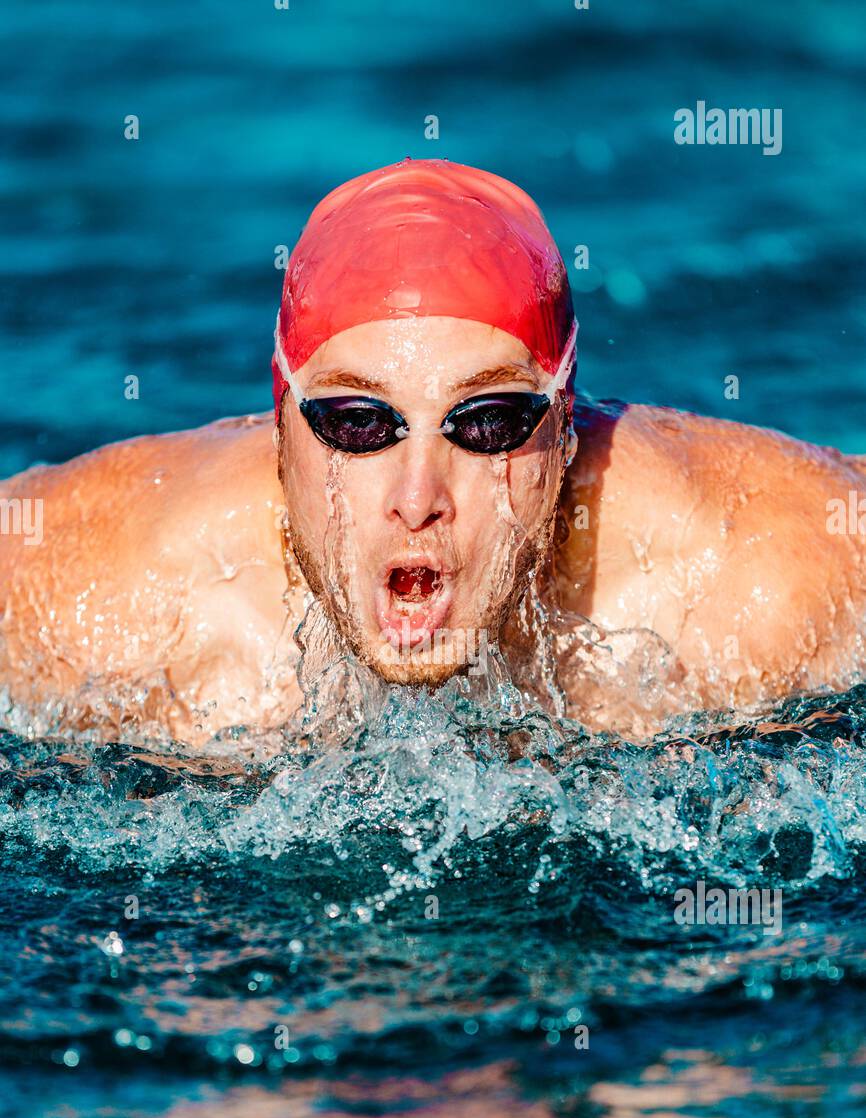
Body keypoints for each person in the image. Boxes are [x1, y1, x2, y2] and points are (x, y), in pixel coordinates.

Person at [1, 158, 864, 743]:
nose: (418, 497)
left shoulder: (753, 579)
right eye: (358, 423)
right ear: (281, 429)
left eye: (487, 422)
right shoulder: (95, 596)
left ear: (564, 428)